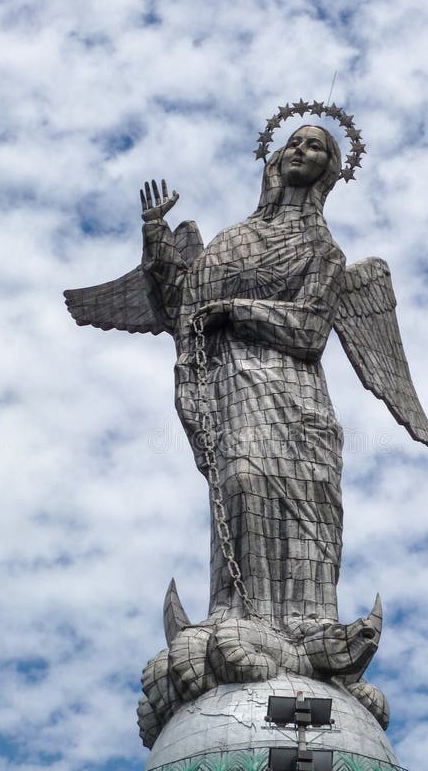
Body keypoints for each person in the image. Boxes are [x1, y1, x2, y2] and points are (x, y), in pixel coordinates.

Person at [138, 125, 346, 634]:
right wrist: (156, 239)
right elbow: (183, 306)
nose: (301, 149)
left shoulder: (324, 251)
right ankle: (238, 614)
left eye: (314, 145)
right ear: (276, 157)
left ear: (329, 168)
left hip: (293, 393)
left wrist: (236, 308)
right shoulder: (234, 239)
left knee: (308, 497)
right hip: (233, 385)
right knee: (242, 481)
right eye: (294, 142)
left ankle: (310, 622)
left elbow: (312, 330)